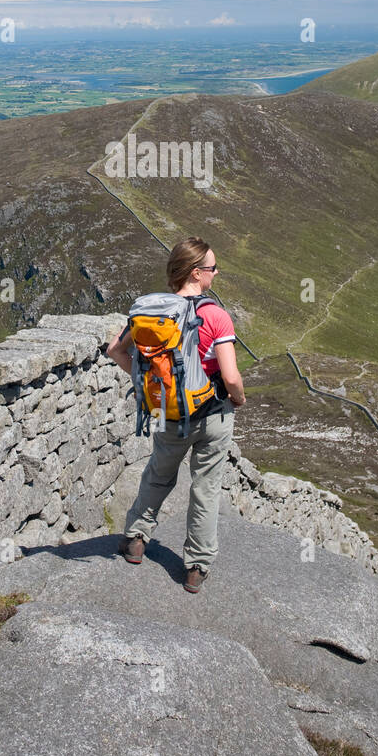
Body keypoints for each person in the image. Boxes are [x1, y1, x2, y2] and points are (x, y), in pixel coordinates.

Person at [106, 236, 246, 593]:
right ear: (197, 273)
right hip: (213, 414)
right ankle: (196, 567)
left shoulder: (151, 311)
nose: (216, 274)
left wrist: (149, 387)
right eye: (213, 268)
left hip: (168, 414)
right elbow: (230, 376)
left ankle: (136, 539)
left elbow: (115, 350)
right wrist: (238, 399)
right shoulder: (215, 315)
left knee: (158, 474)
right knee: (206, 488)